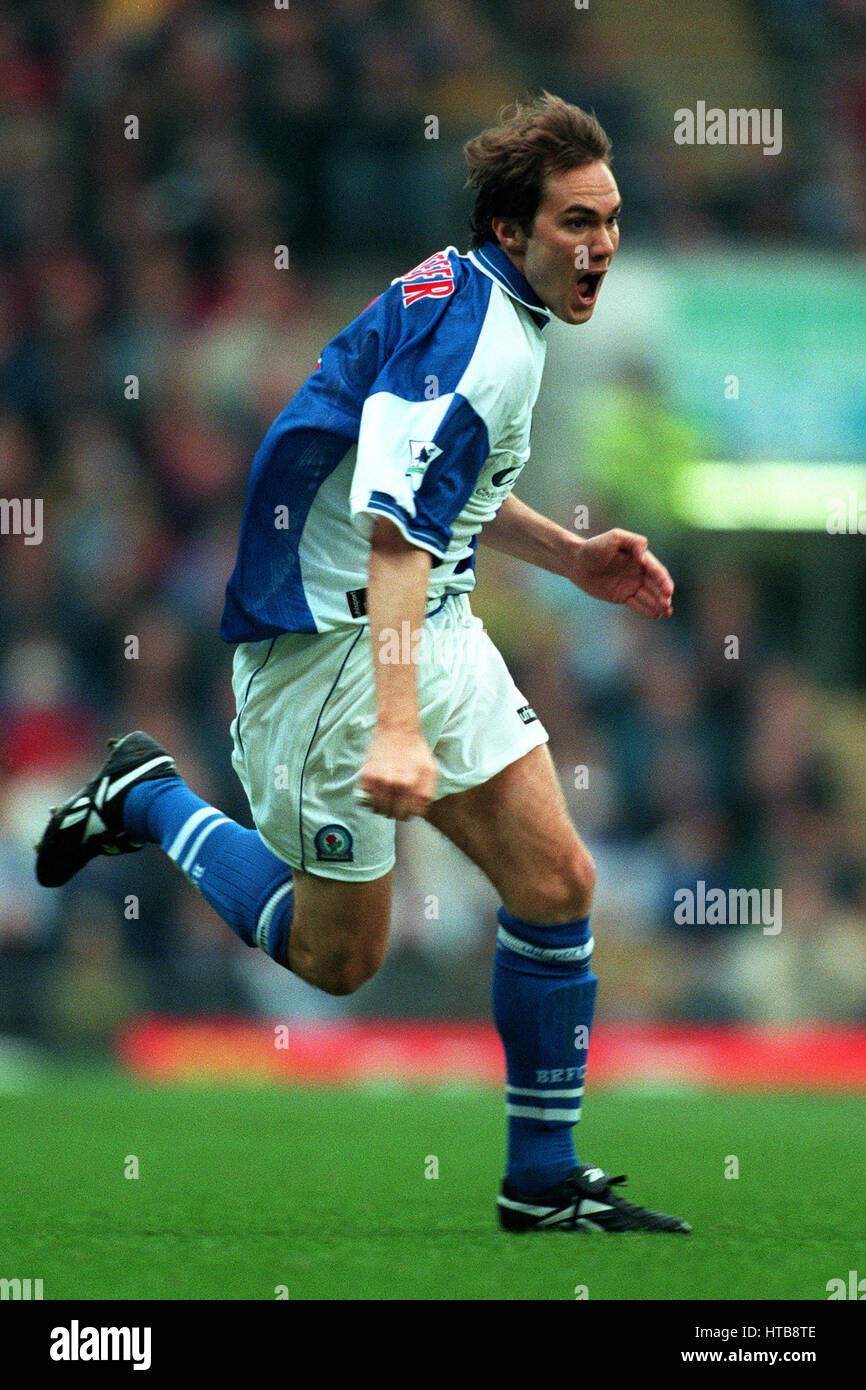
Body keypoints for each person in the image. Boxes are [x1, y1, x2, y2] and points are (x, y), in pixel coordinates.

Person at [36, 93, 688, 1234]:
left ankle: (538, 1180)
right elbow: (393, 532)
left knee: (556, 885)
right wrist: (396, 725)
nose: (600, 247)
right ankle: (153, 801)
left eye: (610, 220)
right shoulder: (477, 339)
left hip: (422, 618)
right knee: (340, 960)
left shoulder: (491, 304)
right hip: (330, 653)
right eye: (577, 222)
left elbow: (445, 490)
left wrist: (567, 555)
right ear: (510, 231)